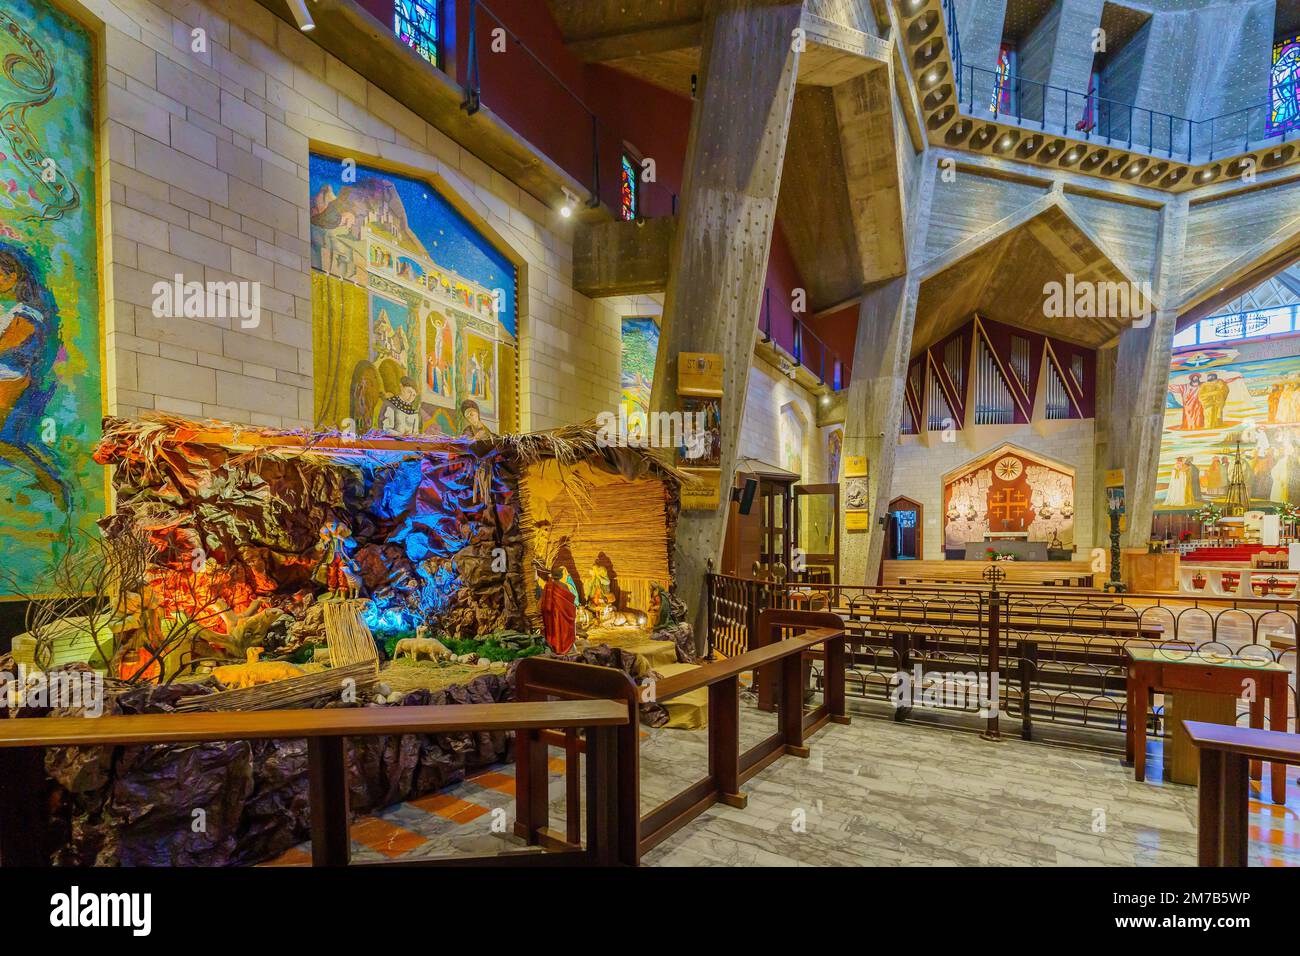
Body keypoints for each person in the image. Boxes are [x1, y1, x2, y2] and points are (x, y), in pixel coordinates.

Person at [539, 566, 577, 655]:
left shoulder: (547, 586)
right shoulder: (564, 586)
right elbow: (570, 600)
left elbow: (543, 601)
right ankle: (562, 647)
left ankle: (553, 646)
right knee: (562, 629)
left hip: (550, 614)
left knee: (553, 629)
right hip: (562, 614)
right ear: (561, 576)